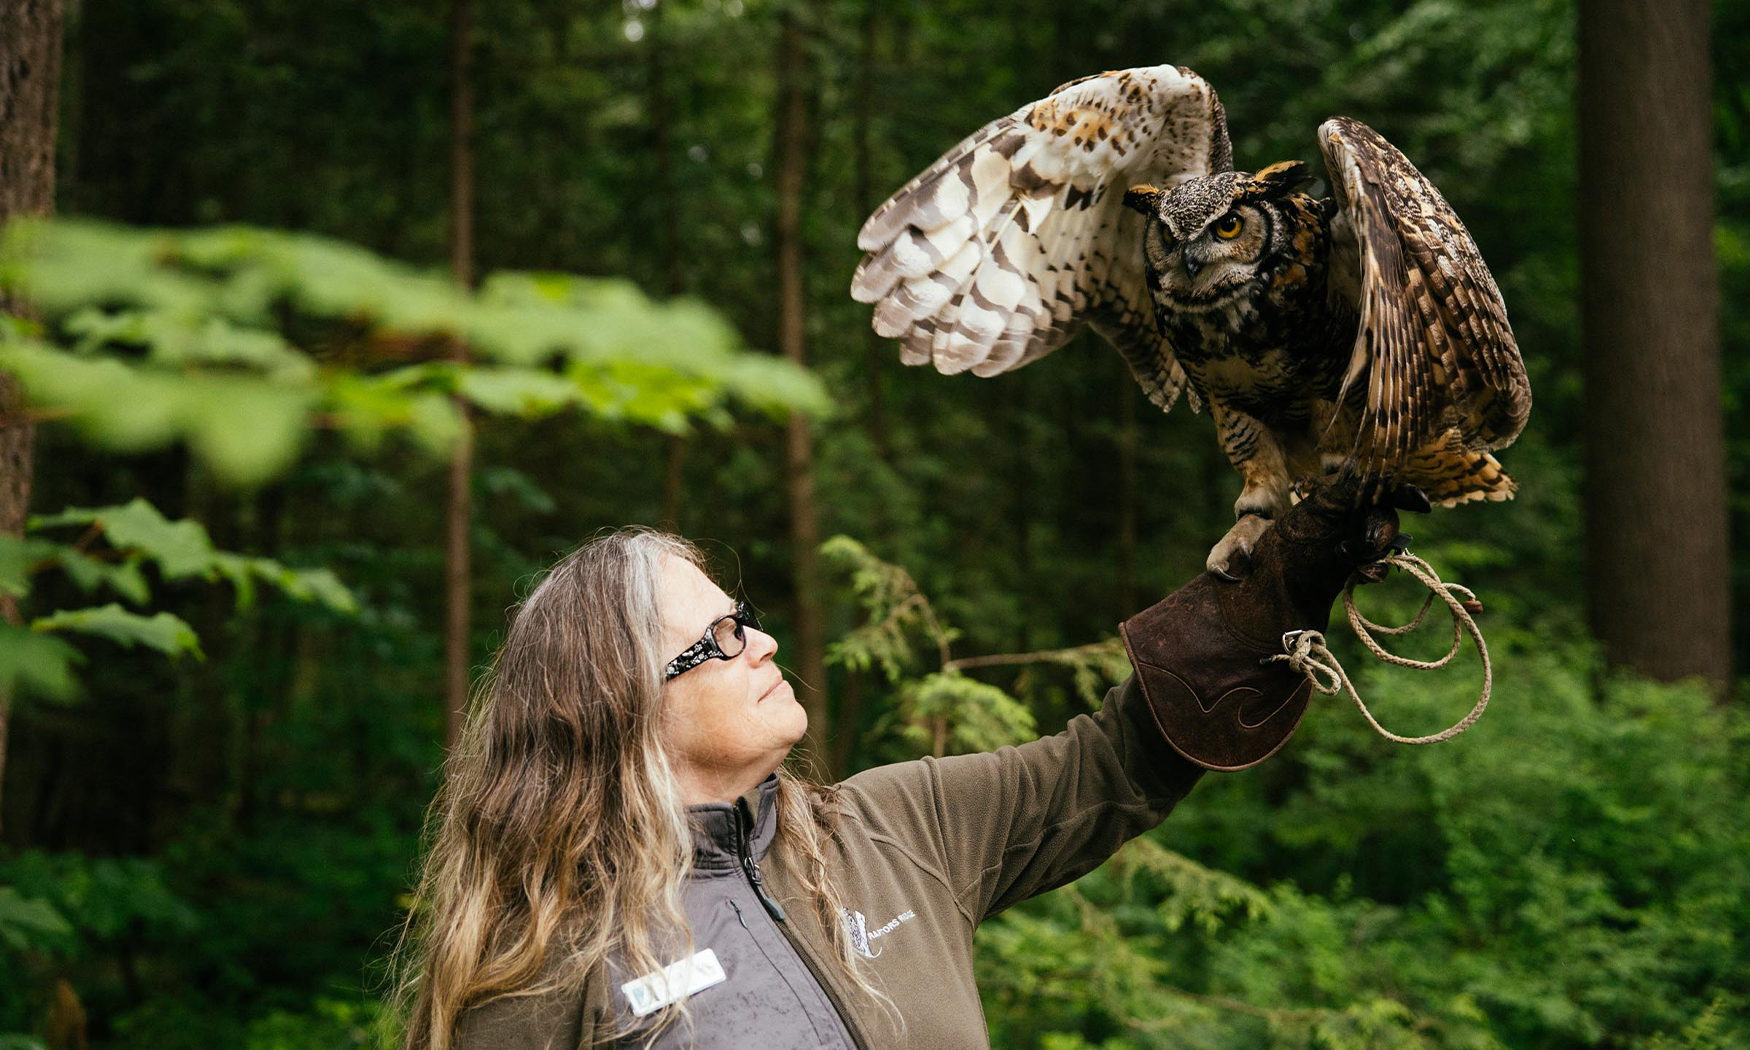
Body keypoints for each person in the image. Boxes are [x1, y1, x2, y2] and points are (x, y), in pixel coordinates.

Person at [391, 477, 1419, 1050]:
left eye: (744, 619)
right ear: (614, 707)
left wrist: (1284, 576)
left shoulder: (895, 832)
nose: (764, 644)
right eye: (714, 642)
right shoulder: (547, 970)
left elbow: (1118, 761)